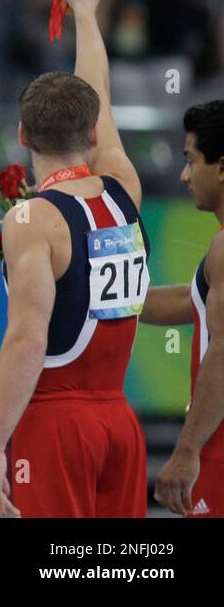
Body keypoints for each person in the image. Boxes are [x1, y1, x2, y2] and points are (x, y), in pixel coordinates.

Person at [0, 0, 149, 518]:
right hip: (120, 424)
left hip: (56, 424)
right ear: (94, 134)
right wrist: (85, 10)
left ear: (23, 137)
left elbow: (28, 339)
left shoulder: (32, 219)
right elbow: (98, 89)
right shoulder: (124, 188)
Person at [142, 100, 224, 518]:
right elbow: (191, 300)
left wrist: (188, 450)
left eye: (191, 161)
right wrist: (95, 296)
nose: (184, 175)